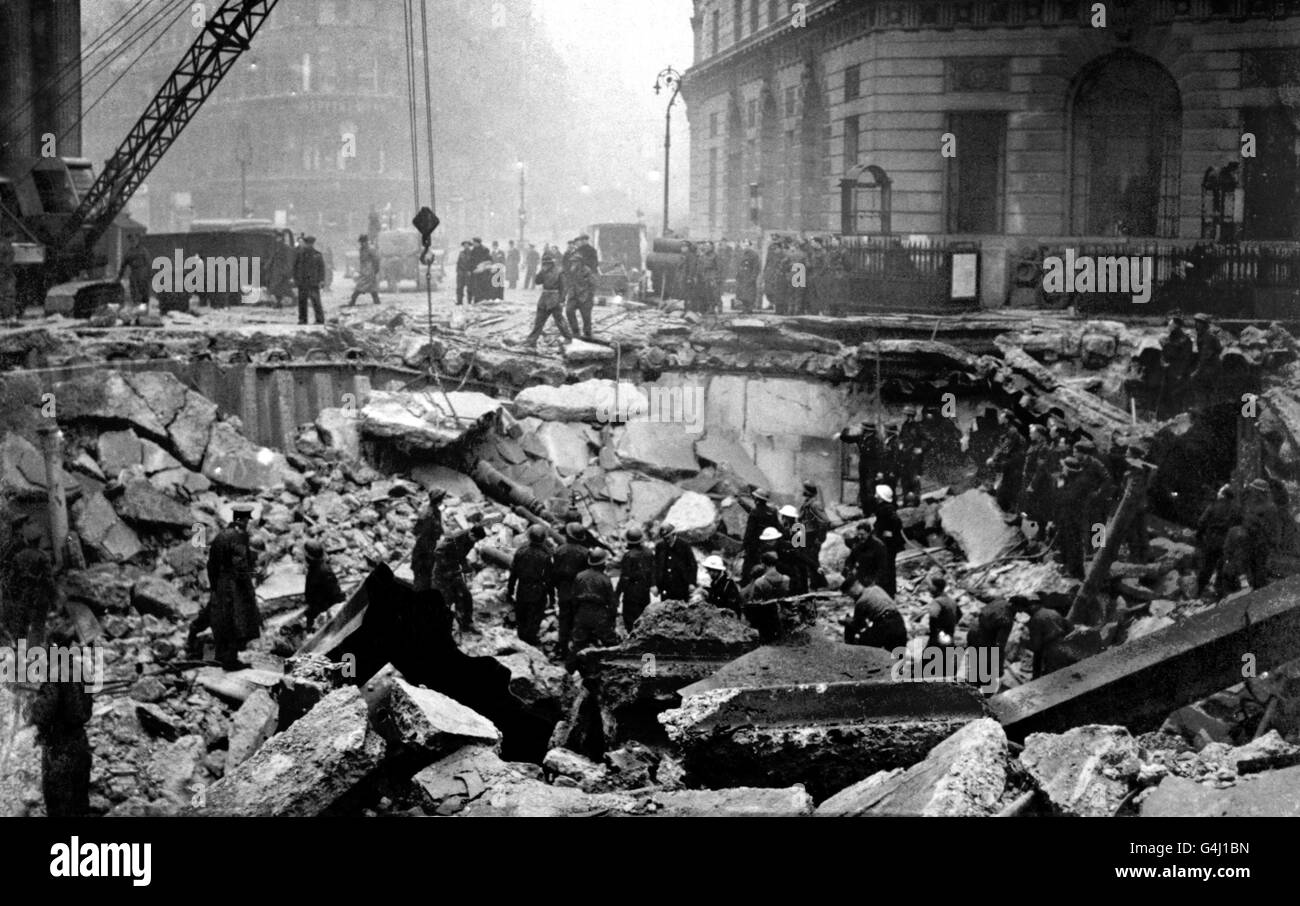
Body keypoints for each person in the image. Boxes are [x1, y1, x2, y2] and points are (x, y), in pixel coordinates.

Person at [189, 503, 261, 669]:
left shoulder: (221, 536)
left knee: (220, 617)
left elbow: (211, 564)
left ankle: (216, 650)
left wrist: (215, 584)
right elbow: (241, 566)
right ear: (243, 520)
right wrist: (248, 589)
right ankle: (231, 660)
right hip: (234, 584)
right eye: (246, 521)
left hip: (220, 582)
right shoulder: (238, 537)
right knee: (237, 620)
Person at [31, 623, 93, 818]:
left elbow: (43, 713)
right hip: (81, 745)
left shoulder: (55, 672)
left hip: (59, 750)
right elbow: (87, 709)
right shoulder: (80, 670)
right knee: (79, 804)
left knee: (59, 808)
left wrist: (33, 708)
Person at [1, 515, 54, 646]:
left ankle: (21, 650)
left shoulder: (17, 555)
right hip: (37, 597)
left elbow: (11, 579)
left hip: (22, 597)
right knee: (37, 625)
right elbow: (49, 582)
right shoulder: (42, 557)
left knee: (21, 625)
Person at [432, 520, 488, 633]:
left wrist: (465, 565)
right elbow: (437, 552)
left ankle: (467, 623)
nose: (476, 542)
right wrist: (447, 568)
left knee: (465, 596)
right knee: (446, 600)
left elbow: (461, 555)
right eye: (476, 539)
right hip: (442, 573)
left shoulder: (471, 539)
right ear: (471, 534)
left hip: (454, 571)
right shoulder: (455, 538)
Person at [569, 548, 619, 663]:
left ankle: (569, 671)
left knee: (578, 644)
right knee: (610, 643)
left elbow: (574, 598)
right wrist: (612, 618)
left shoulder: (579, 576)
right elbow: (612, 602)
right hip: (600, 614)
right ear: (603, 563)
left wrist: (576, 614)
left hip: (582, 612)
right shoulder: (605, 579)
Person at [506, 524, 553, 646]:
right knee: (535, 617)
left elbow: (513, 574)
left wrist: (510, 591)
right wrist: (551, 597)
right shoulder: (546, 555)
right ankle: (531, 642)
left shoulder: (521, 552)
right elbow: (549, 579)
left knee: (521, 616)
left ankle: (521, 641)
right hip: (538, 590)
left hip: (522, 588)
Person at [552, 523, 591, 658]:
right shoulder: (586, 553)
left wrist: (558, 587)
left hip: (564, 591)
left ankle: (563, 649)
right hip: (579, 593)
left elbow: (554, 573)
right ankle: (576, 650)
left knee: (564, 621)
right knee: (578, 621)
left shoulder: (559, 551)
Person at [520, 252, 573, 349]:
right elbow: (537, 282)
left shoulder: (559, 272)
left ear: (551, 263)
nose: (545, 265)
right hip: (544, 298)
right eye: (544, 263)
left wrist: (561, 300)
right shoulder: (543, 271)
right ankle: (531, 340)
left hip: (555, 298)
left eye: (547, 263)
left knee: (559, 320)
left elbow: (564, 287)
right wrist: (540, 272)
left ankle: (568, 337)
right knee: (539, 321)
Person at [1054, 456, 1092, 579]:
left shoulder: (1079, 483)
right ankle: (1068, 566)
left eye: (1064, 467)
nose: (1062, 469)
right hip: (1066, 516)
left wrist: (1060, 488)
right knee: (1066, 541)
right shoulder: (1071, 480)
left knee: (1073, 544)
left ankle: (1075, 571)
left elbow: (1067, 499)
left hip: (1074, 518)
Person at [1196, 484, 1238, 592]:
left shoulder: (1213, 506)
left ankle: (1199, 590)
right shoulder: (1235, 510)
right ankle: (1218, 591)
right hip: (1226, 542)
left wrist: (1200, 535)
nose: (1218, 493)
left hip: (1212, 540)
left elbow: (1201, 522)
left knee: (1207, 566)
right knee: (1221, 568)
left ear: (1223, 495)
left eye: (1220, 492)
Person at [1241, 478, 1281, 590]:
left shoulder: (1270, 507)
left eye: (1254, 490)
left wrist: (1274, 543)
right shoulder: (1253, 505)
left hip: (1262, 545)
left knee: (1260, 572)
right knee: (1252, 572)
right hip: (1251, 543)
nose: (1252, 492)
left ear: (1259, 492)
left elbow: (1274, 528)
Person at [845, 580, 907, 651]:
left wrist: (847, 621)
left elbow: (858, 624)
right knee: (898, 655)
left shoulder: (861, 602)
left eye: (849, 595)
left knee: (864, 644)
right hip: (898, 621)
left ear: (851, 591)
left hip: (885, 625)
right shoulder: (876, 588)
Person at [839, 422, 885, 516]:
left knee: (870, 489)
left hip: (873, 467)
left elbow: (881, 456)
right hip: (863, 466)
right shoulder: (861, 436)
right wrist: (845, 430)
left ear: (868, 430)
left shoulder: (876, 440)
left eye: (863, 428)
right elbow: (846, 439)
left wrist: (880, 471)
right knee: (863, 489)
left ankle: (873, 511)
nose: (861, 429)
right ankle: (866, 512)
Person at [614, 526, 654, 632]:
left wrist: (617, 595)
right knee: (644, 618)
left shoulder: (628, 556)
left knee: (630, 620)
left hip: (631, 594)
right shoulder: (649, 552)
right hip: (644, 592)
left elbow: (624, 578)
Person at [989, 409, 1027, 515]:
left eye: (1002, 416)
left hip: (1014, 462)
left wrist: (994, 458)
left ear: (1006, 419)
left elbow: (1006, 447)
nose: (999, 417)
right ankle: (1003, 502)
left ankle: (1007, 508)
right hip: (1011, 461)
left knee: (1008, 483)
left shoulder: (1012, 431)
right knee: (1005, 480)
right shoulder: (1007, 429)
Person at [739, 487, 781, 579]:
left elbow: (749, 532)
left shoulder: (754, 512)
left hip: (755, 545)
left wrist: (744, 546)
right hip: (769, 543)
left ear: (757, 499)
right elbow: (778, 527)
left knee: (748, 566)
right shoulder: (772, 511)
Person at [410, 489, 446, 592]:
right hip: (423, 554)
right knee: (421, 581)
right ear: (439, 500)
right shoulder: (428, 515)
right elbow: (419, 532)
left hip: (429, 550)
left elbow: (439, 529)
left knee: (427, 579)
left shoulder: (436, 512)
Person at [303, 540, 345, 627]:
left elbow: (335, 594)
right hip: (319, 608)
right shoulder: (315, 568)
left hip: (323, 611)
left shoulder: (322, 570)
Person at [797, 481, 830, 590]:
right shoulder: (807, 503)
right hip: (804, 534)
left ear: (808, 491)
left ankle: (819, 585)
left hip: (811, 535)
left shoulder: (815, 504)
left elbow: (825, 521)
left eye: (804, 489)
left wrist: (820, 539)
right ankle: (819, 584)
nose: (802, 491)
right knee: (809, 560)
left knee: (812, 560)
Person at [1026, 604, 1072, 679]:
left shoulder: (1035, 619)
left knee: (1057, 677)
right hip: (1066, 645)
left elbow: (1036, 646)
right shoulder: (1053, 612)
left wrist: (1026, 643)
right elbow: (1068, 627)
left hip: (1052, 651)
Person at [654, 523, 696, 603]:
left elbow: (693, 565)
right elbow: (656, 566)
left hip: (681, 586)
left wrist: (692, 583)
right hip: (666, 587)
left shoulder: (684, 545)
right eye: (664, 538)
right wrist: (655, 584)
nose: (666, 541)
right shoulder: (660, 546)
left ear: (674, 535)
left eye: (668, 538)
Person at [564, 239, 597, 340]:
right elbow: (567, 283)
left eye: (575, 262)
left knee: (586, 316)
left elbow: (593, 284)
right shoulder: (571, 271)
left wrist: (590, 296)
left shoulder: (587, 271)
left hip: (584, 296)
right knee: (569, 311)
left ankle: (587, 333)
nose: (573, 264)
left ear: (580, 262)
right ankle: (575, 331)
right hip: (573, 295)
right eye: (572, 262)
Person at [1189, 313, 1224, 406]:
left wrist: (1197, 371)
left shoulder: (1207, 336)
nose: (1196, 325)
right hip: (1211, 365)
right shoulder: (1203, 335)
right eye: (1195, 322)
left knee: (1203, 388)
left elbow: (1205, 356)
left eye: (1199, 323)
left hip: (1210, 367)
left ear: (1204, 325)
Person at [925, 575, 962, 658]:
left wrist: (933, 632)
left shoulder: (937, 602)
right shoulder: (951, 601)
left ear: (936, 588)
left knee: (929, 659)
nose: (929, 588)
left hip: (938, 636)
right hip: (949, 635)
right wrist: (951, 624)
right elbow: (960, 614)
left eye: (931, 586)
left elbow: (933, 617)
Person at [292, 236, 326, 325]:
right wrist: (295, 279)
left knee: (316, 302)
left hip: (313, 282)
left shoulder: (317, 255)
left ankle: (319, 319)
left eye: (310, 244)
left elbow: (321, 269)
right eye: (308, 244)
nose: (309, 246)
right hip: (303, 282)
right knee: (302, 302)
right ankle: (303, 319)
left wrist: (321, 280)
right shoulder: (300, 254)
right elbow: (295, 267)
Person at [117, 233, 151, 310]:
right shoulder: (129, 252)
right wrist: (119, 277)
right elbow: (123, 265)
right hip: (134, 273)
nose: (133, 242)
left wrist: (149, 274)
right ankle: (136, 308)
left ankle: (144, 308)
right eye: (131, 240)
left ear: (137, 240)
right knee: (134, 291)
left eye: (134, 240)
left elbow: (148, 262)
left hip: (142, 272)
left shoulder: (143, 250)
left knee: (144, 291)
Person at [349, 235, 381, 306]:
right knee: (371, 288)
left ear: (366, 242)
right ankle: (376, 301)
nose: (362, 244)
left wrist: (376, 269)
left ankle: (352, 301)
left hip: (369, 271)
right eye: (361, 242)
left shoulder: (371, 249)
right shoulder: (362, 249)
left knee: (360, 286)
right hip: (364, 271)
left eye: (363, 242)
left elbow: (376, 260)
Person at [267, 232, 297, 308]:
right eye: (277, 238)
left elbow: (289, 261)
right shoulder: (276, 247)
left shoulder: (286, 248)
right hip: (276, 271)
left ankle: (294, 299)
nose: (277, 239)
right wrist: (267, 266)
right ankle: (279, 302)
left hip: (282, 272)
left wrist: (287, 271)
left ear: (282, 238)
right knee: (278, 288)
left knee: (283, 288)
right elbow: (272, 258)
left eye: (279, 238)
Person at [735, 239, 760, 313]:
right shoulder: (741, 254)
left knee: (749, 295)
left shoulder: (754, 255)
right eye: (744, 245)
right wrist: (737, 275)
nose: (745, 247)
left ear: (750, 246)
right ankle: (744, 308)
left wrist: (753, 278)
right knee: (742, 294)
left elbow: (756, 268)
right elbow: (738, 265)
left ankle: (749, 308)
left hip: (749, 277)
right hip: (742, 277)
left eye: (747, 245)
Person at [455, 240, 473, 306]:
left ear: (469, 245)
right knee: (459, 288)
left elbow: (472, 263)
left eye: (467, 244)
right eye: (464, 245)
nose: (466, 246)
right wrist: (458, 271)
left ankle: (469, 301)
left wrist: (470, 271)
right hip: (461, 273)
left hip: (468, 273)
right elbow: (458, 262)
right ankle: (459, 301)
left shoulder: (472, 253)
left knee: (469, 288)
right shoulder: (461, 253)